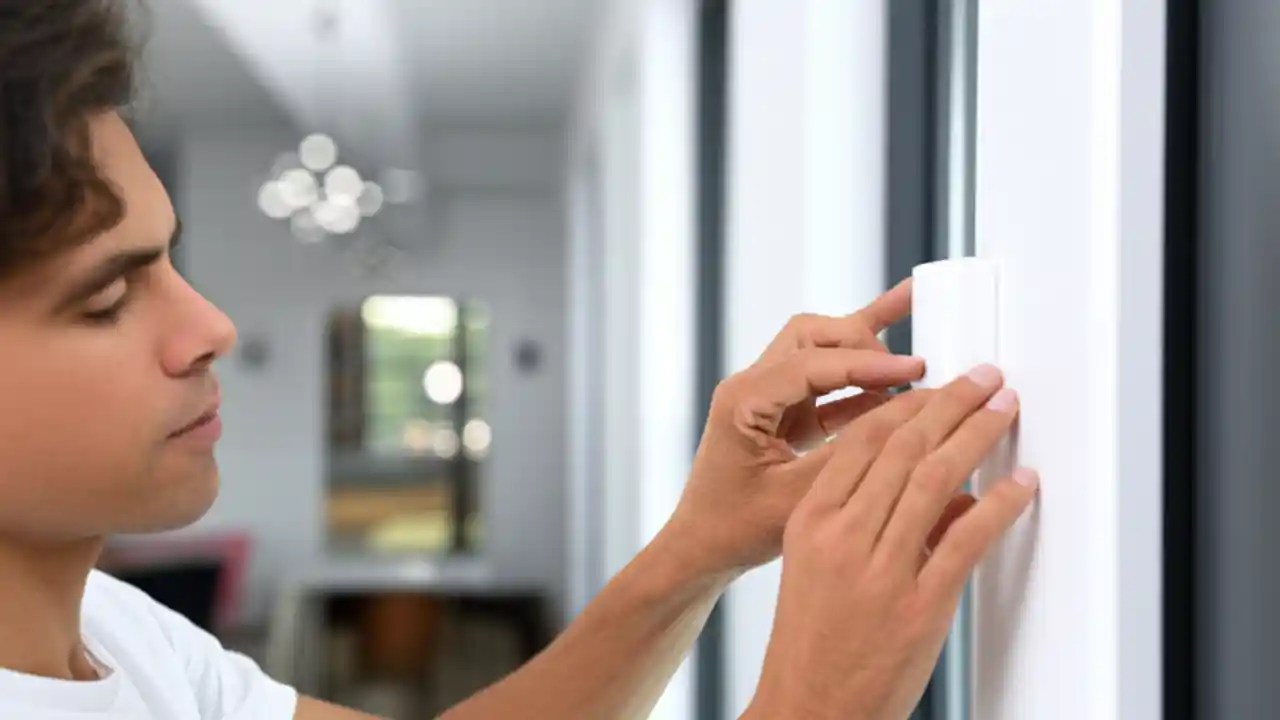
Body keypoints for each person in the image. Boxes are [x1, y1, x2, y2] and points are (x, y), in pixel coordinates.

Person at [0, 2, 1039, 718]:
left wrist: (696, 545)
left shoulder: (112, 628)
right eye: (104, 299)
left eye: (171, 261)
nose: (213, 327)